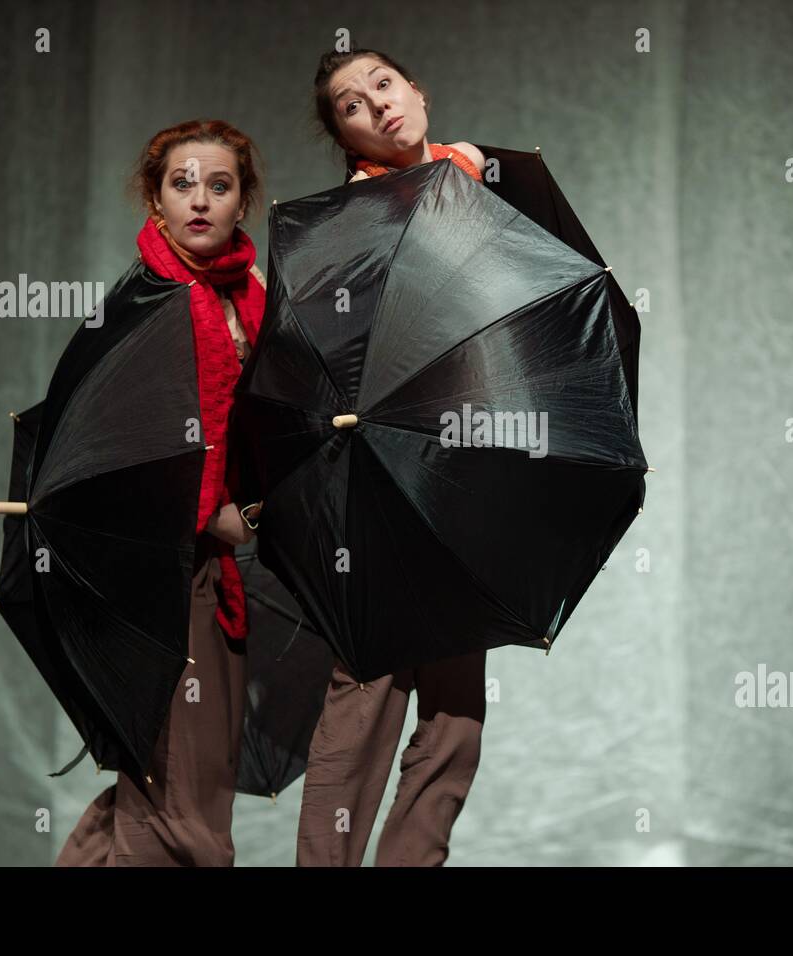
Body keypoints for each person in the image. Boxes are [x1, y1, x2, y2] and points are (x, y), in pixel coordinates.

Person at [295, 48, 488, 868]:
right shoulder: (355, 219)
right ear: (345, 136)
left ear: (416, 91)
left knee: (456, 717)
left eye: (382, 84)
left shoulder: (475, 180)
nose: (373, 104)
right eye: (349, 104)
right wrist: (461, 177)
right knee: (367, 693)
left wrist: (469, 172)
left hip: (466, 469)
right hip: (380, 475)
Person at [55, 119, 266, 866]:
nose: (200, 201)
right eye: (182, 185)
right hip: (149, 572)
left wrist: (251, 514)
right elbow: (108, 448)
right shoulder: (141, 304)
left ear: (243, 203)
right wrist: (205, 509)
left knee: (186, 775)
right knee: (176, 786)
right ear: (155, 201)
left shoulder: (254, 301)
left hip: (219, 563)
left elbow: (267, 434)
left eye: (219, 185)